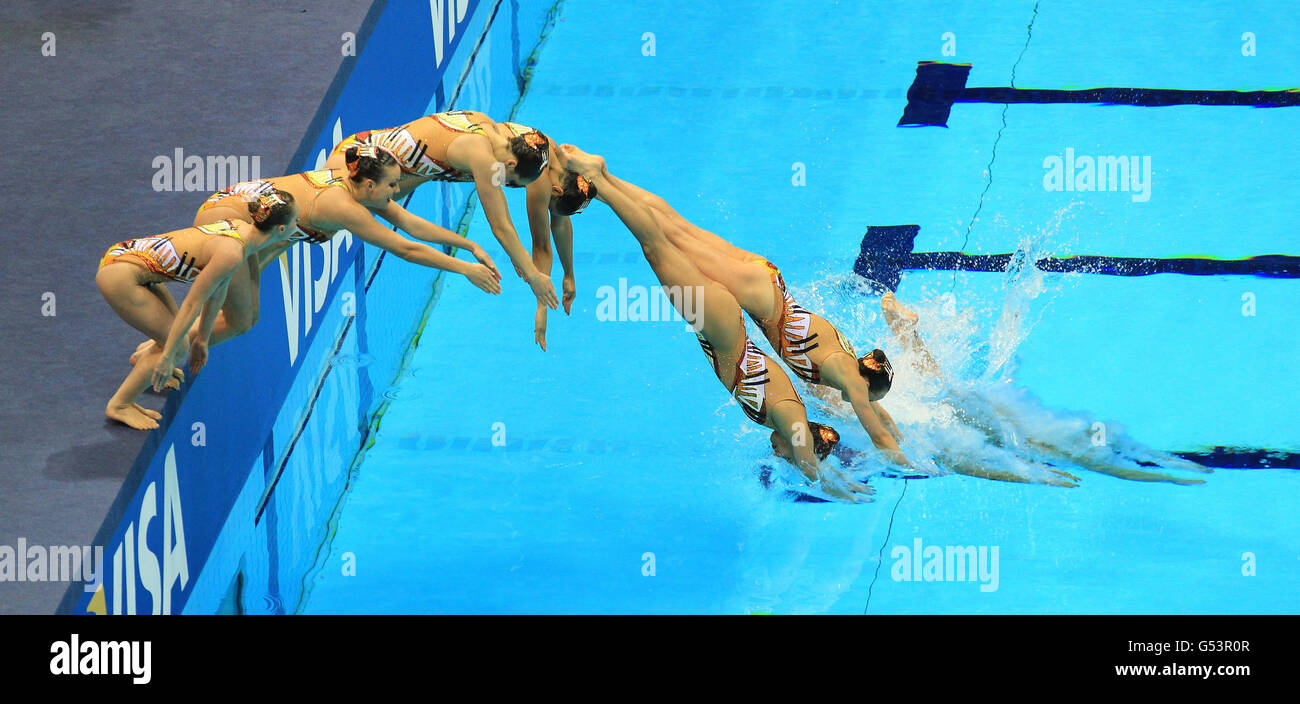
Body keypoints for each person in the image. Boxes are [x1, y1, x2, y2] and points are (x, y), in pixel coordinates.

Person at [556, 144, 872, 502]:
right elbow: (807, 462)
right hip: (722, 330)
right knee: (656, 245)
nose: (777, 454)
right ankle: (599, 178)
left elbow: (813, 442)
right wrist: (833, 486)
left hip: (724, 326)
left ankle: (604, 180)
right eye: (788, 453)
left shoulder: (789, 418)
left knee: (671, 233)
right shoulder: (790, 419)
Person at [127, 144, 505, 358]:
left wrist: (468, 244)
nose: (397, 190)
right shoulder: (342, 206)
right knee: (241, 319)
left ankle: (170, 340)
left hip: (236, 209)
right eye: (392, 185)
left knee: (239, 307)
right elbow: (405, 248)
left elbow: (408, 223)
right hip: (226, 221)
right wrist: (464, 269)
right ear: (370, 184)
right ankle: (161, 355)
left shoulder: (352, 178)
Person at [875, 291, 1209, 486]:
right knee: (925, 365)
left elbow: (970, 464)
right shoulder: (903, 398)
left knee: (1066, 456)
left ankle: (1171, 476)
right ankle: (1171, 469)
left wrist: (1034, 478)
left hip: (956, 417)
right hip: (968, 401)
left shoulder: (886, 418)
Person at [98, 191, 298, 429]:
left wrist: (202, 339)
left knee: (175, 339)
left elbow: (218, 290)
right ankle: (120, 404)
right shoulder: (232, 252)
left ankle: (146, 360)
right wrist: (168, 357)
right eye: (296, 220)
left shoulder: (240, 230)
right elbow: (192, 303)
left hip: (128, 262)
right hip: (120, 277)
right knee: (177, 345)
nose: (299, 224)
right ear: (282, 230)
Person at [324, 110, 562, 310]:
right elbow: (501, 226)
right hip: (348, 172)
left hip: (359, 148)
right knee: (369, 233)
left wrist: (485, 249)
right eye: (509, 180)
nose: (502, 182)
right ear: (511, 164)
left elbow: (410, 222)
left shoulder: (485, 125)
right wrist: (534, 277)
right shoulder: (485, 161)